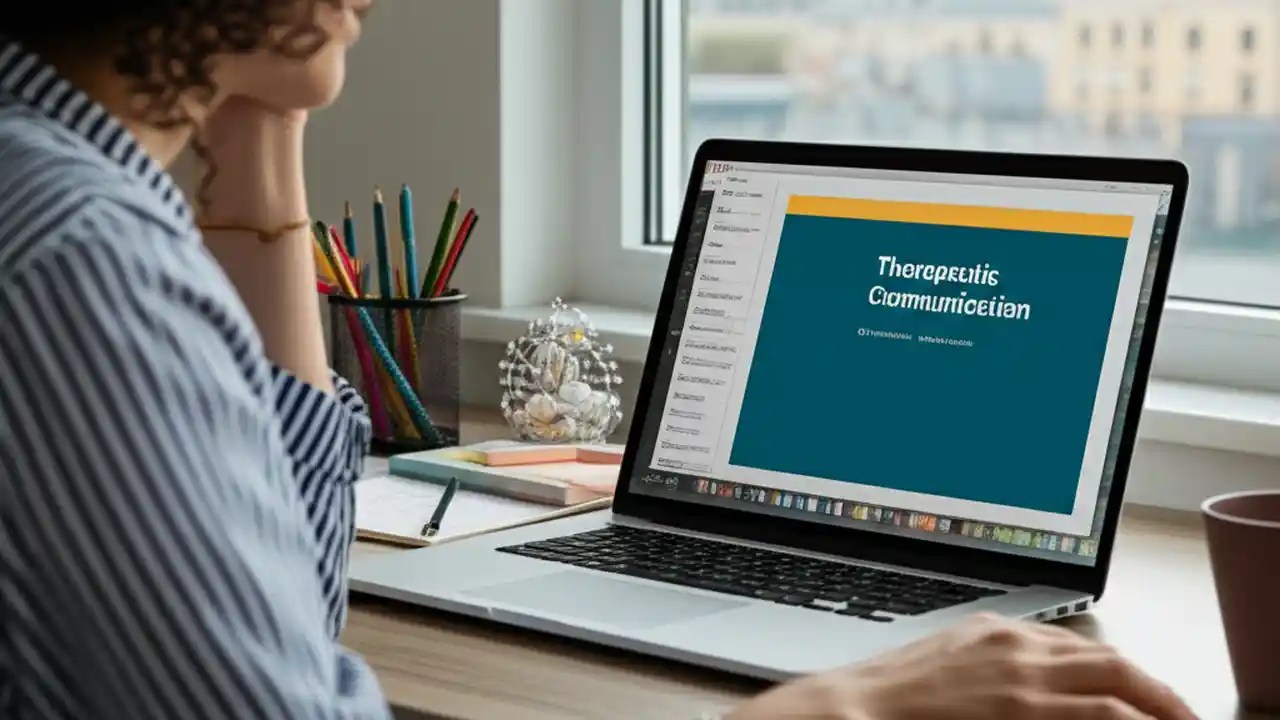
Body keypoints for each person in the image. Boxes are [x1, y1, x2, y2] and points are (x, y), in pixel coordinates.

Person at [0, 3, 1198, 719]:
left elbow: (289, 612)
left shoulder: (55, 185)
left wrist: (263, 131)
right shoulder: (79, 256)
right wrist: (844, 700)